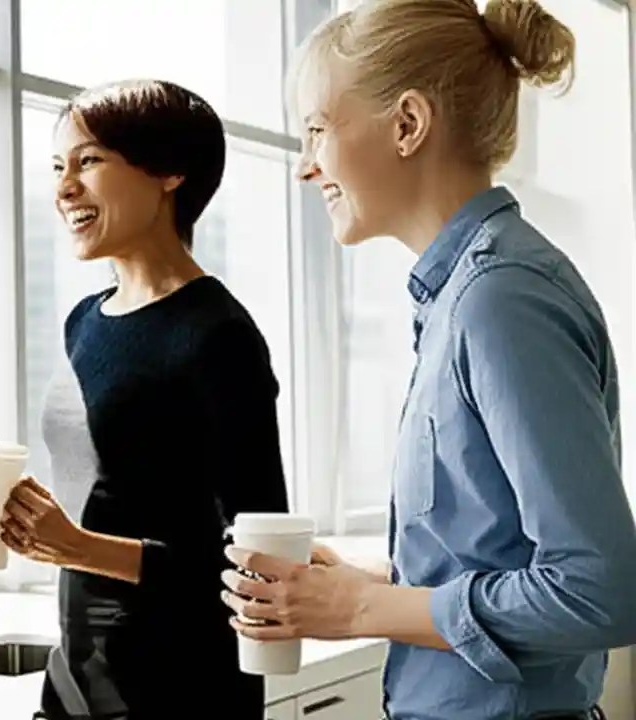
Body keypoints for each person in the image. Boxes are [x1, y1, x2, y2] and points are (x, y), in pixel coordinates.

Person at [218, 1, 636, 718]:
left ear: (408, 124)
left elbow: (600, 592)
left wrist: (361, 611)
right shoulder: (463, 297)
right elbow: (496, 555)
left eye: (317, 129)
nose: (304, 166)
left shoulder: (499, 299)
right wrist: (365, 584)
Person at [0, 78, 290, 719]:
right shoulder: (84, 321)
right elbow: (117, 493)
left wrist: (74, 545)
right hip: (75, 678)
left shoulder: (219, 335)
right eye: (58, 167)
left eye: (90, 161)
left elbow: (259, 563)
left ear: (170, 173)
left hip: (182, 686)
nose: (64, 187)